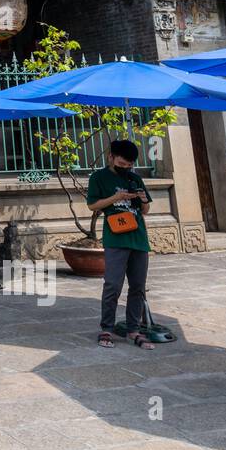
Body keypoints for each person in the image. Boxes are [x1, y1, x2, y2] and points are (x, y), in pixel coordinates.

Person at [87, 140, 154, 349]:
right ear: (111, 157)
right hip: (116, 237)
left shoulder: (135, 178)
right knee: (113, 284)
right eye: (121, 163)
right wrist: (116, 197)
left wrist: (142, 199)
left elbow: (145, 211)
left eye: (129, 165)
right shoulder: (98, 177)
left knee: (138, 286)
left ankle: (133, 329)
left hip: (138, 238)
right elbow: (92, 205)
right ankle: (107, 327)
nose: (125, 168)